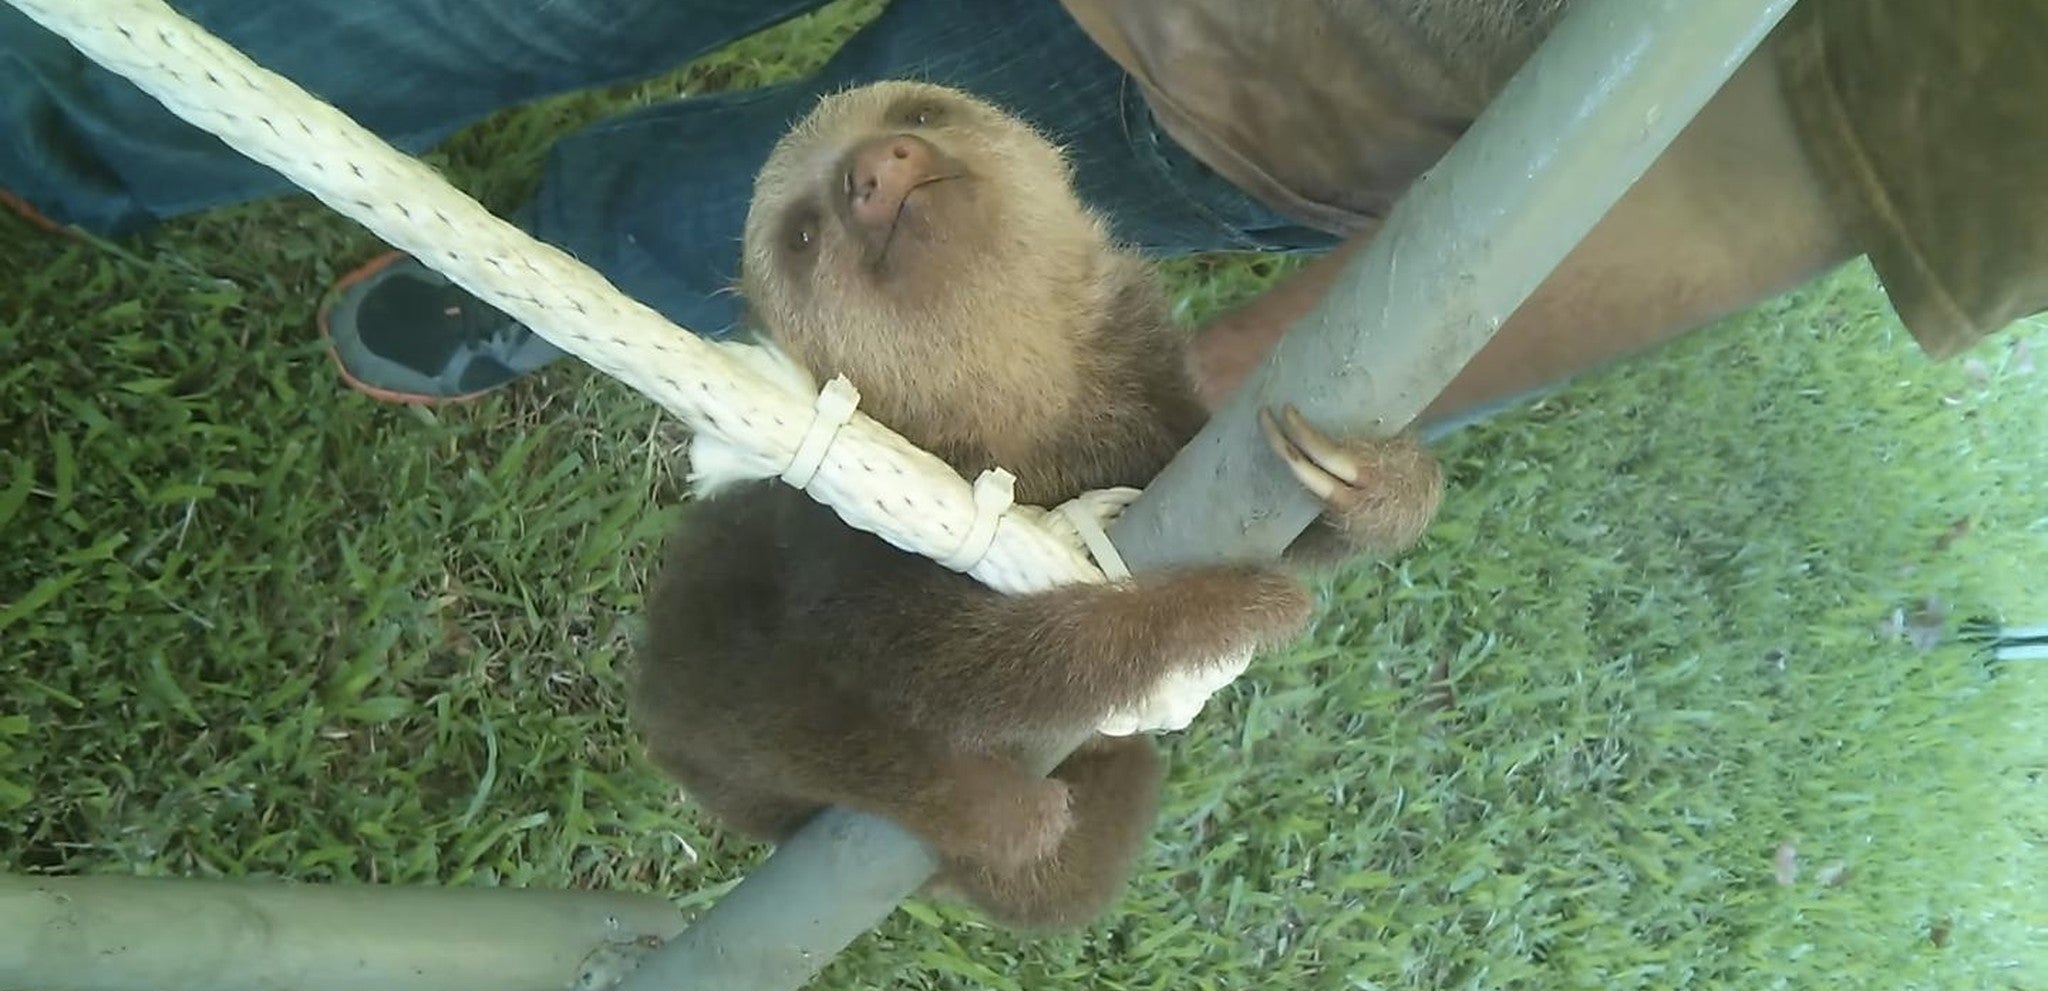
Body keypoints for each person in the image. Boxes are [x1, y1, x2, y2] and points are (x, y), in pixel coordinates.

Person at [5, 0, 2042, 431]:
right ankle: (75, 133)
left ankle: (550, 273)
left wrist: (1202, 439)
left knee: (764, 210)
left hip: (1231, 66)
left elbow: (1763, 169)